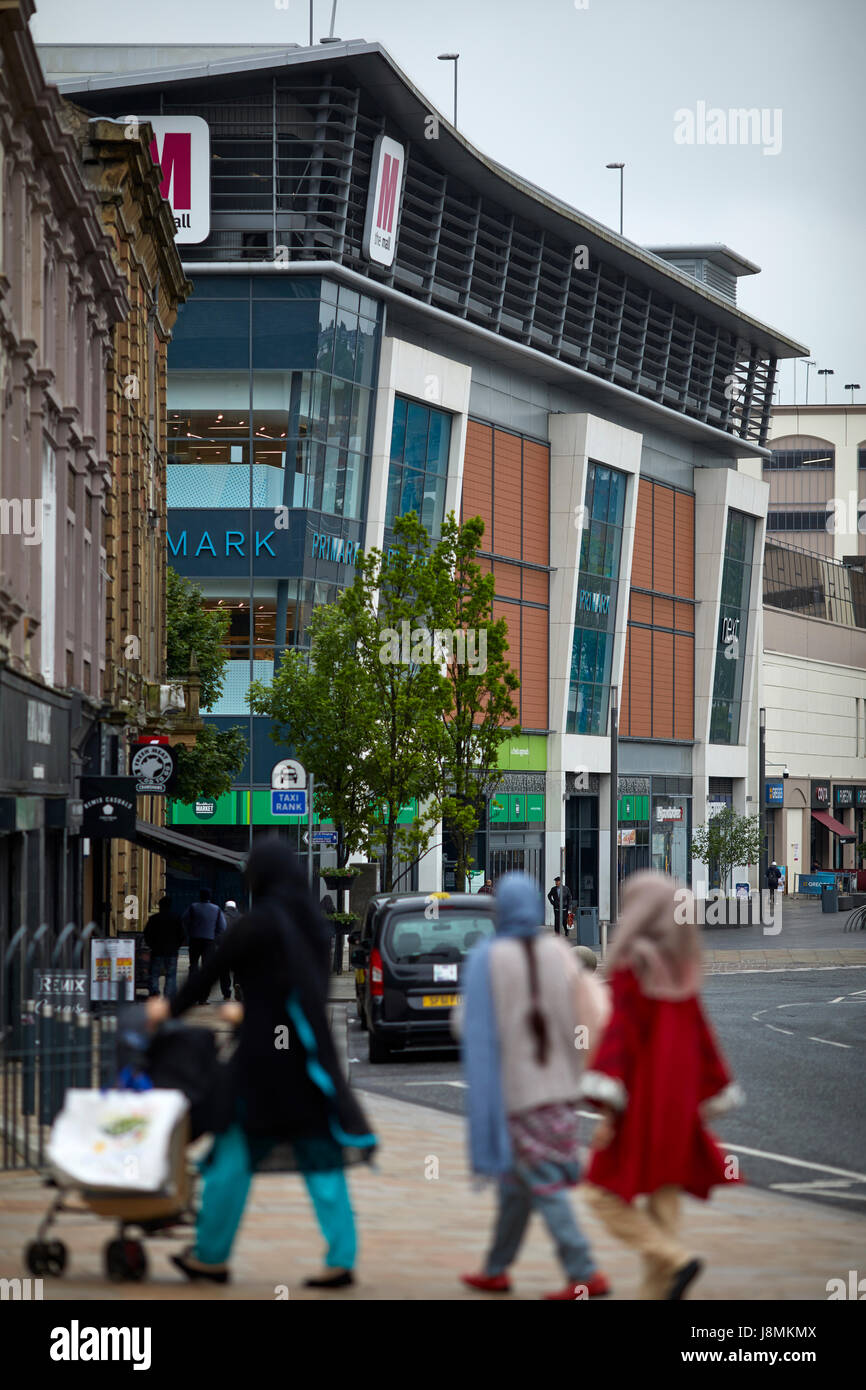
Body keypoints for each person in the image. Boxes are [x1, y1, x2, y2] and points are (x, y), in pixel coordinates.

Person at [146, 837, 376, 1287]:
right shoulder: (313, 924)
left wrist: (166, 1012)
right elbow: (296, 990)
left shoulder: (256, 924)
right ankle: (342, 1256)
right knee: (321, 1160)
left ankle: (210, 1256)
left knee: (230, 1158)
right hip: (306, 1062)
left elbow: (204, 979)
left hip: (261, 1067)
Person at [580, 871, 743, 1300]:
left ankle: (676, 1259)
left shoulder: (635, 967)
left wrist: (607, 1106)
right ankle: (663, 1282)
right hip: (679, 1110)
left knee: (601, 1195)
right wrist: (714, 1091)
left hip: (640, 1108)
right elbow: (703, 1038)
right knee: (664, 1203)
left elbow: (620, 1039)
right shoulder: (682, 970)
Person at [456, 872, 611, 1300]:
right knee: (516, 1184)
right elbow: (592, 1013)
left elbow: (465, 1024)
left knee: (541, 1180)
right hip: (561, 1089)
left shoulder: (488, 957)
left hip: (517, 1093)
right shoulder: (559, 952)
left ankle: (584, 1271)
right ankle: (496, 1268)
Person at [182, 889, 226, 1005]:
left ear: (200, 896)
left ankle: (190, 995)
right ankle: (203, 997)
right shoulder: (216, 909)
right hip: (209, 941)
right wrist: (213, 936)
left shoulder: (193, 907)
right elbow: (222, 927)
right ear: (210, 897)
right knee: (207, 969)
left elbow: (184, 921)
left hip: (195, 940)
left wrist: (191, 932)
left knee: (193, 966)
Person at [143, 895, 184, 998]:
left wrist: (151, 945)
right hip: (172, 952)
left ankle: (154, 992)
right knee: (170, 975)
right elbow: (182, 935)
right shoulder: (176, 918)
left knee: (154, 974)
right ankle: (168, 996)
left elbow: (147, 934)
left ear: (160, 906)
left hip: (157, 951)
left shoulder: (154, 919)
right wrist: (177, 946)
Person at [220, 899, 242, 1002]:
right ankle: (237, 984)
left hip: (224, 947)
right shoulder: (241, 917)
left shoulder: (221, 916)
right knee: (238, 970)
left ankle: (226, 993)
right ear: (235, 907)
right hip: (238, 947)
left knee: (224, 972)